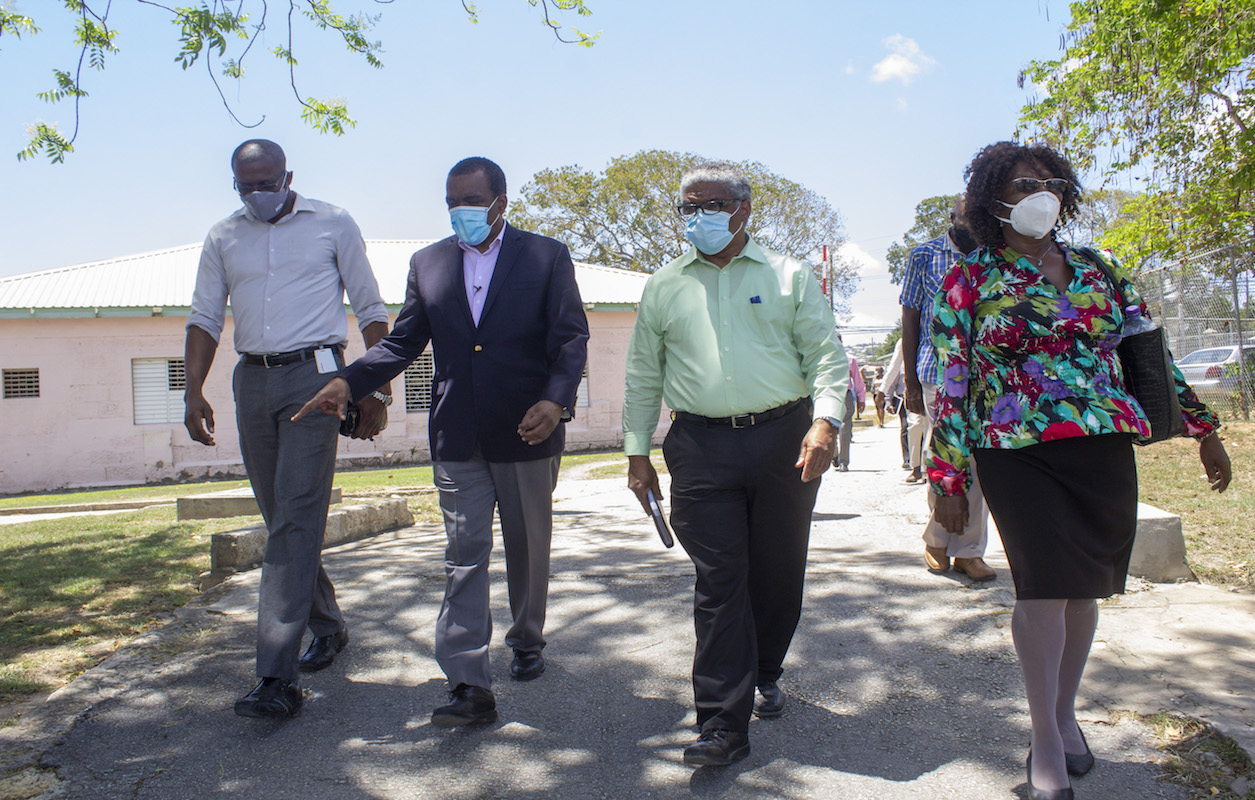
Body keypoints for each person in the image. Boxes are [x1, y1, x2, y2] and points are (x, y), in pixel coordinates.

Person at [930, 141, 1232, 800]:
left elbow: (1149, 352)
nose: (1039, 190)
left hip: (1102, 443)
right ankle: (1043, 740)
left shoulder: (1102, 268)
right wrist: (946, 480)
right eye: (1021, 182)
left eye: (1048, 180)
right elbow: (952, 383)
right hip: (1015, 448)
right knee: (1040, 587)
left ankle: (1065, 715)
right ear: (992, 200)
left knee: (1084, 587)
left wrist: (1203, 430)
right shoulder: (970, 279)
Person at [294, 156, 589, 728]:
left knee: (528, 547)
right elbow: (402, 342)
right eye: (452, 202)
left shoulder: (544, 256)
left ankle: (527, 638)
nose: (462, 212)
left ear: (501, 201)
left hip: (529, 427)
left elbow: (570, 336)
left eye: (472, 201)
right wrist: (347, 381)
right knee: (463, 558)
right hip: (457, 434)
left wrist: (557, 401)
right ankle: (468, 683)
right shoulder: (428, 263)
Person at [622, 162, 847, 768]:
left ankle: (766, 668)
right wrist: (636, 451)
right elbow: (644, 372)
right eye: (688, 207)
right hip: (700, 447)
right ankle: (722, 723)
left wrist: (825, 421)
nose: (698, 217)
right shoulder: (664, 286)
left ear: (743, 211)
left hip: (784, 441)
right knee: (720, 583)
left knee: (775, 573)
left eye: (712, 205)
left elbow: (826, 356)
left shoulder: (789, 276)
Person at [184, 139, 391, 719]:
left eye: (266, 182)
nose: (257, 194)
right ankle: (327, 624)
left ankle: (277, 676)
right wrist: (192, 387)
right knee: (281, 519)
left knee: (297, 516)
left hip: (317, 380)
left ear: (288, 175)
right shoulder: (224, 235)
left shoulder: (332, 222)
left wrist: (373, 386)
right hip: (252, 381)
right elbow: (204, 315)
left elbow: (372, 309)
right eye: (245, 186)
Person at [901, 197, 996, 582]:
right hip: (936, 371)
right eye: (965, 217)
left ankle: (966, 550)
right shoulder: (923, 255)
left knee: (979, 461)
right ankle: (940, 540)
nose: (972, 224)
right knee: (945, 455)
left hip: (988, 376)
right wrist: (908, 380)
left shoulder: (996, 257)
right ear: (951, 219)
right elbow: (910, 316)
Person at [880, 339, 914, 473]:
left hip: (921, 397)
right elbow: (891, 384)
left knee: (920, 429)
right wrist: (887, 401)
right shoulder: (900, 366)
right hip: (904, 400)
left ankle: (920, 462)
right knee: (905, 428)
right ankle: (907, 459)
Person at [834, 344, 866, 471]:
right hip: (830, 394)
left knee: (845, 428)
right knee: (829, 424)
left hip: (845, 394)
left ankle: (843, 461)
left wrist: (861, 399)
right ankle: (834, 453)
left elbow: (857, 381)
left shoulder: (849, 359)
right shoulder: (823, 357)